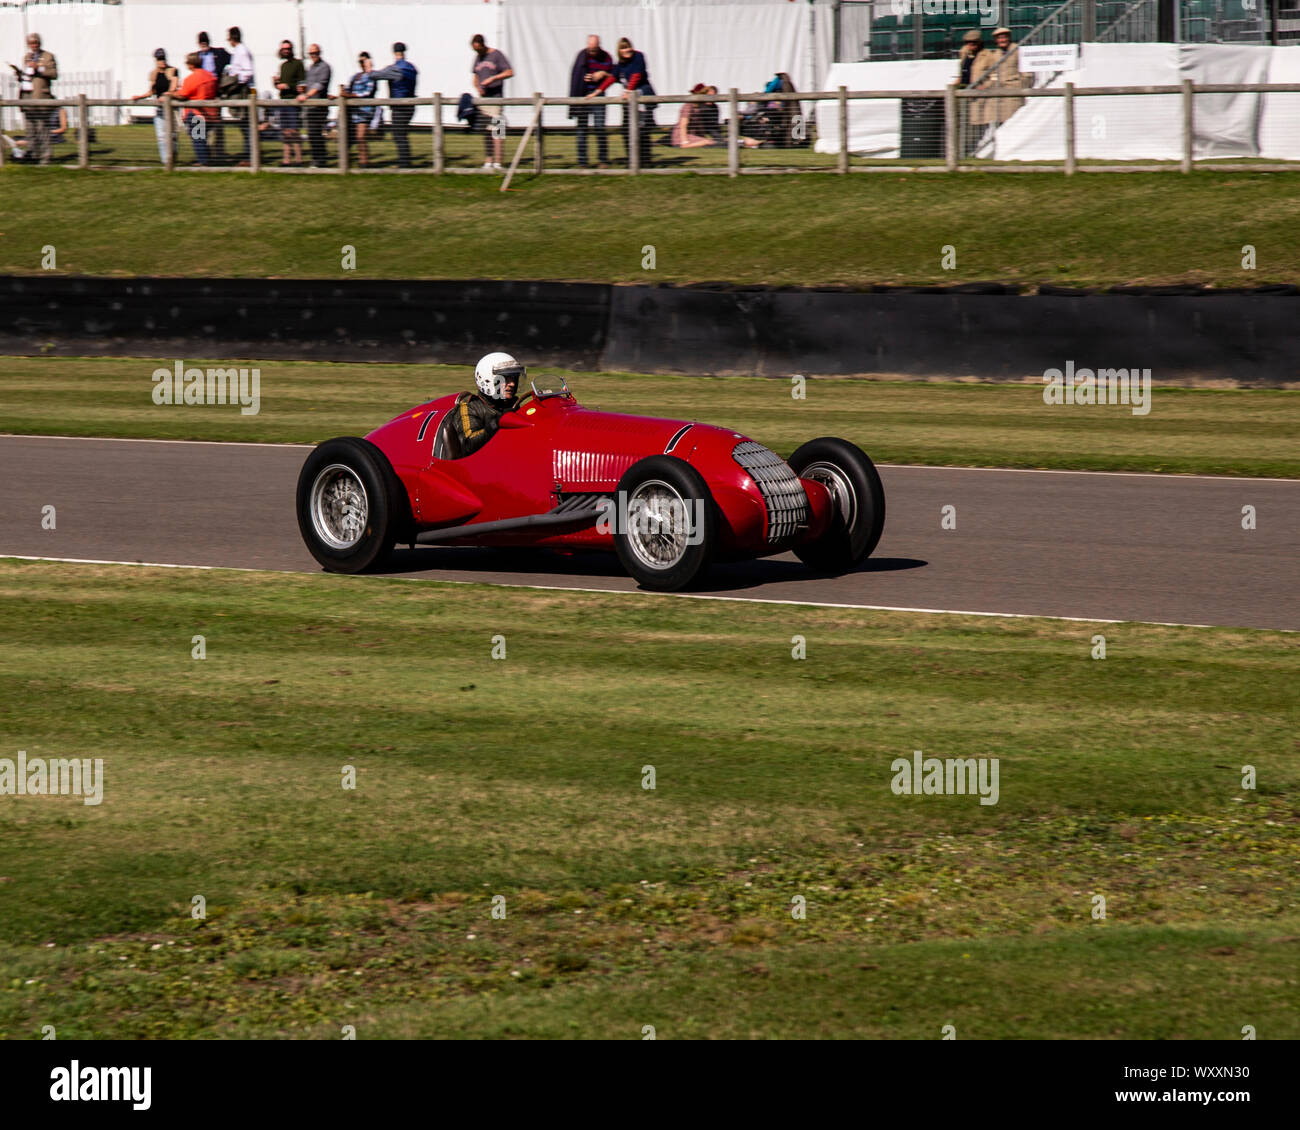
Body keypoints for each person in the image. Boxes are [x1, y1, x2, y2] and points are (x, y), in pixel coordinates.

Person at [592, 38, 655, 168]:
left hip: (642, 96)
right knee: (626, 129)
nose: (626, 50)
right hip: (628, 100)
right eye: (623, 48)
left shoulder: (639, 57)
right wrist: (598, 91)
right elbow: (613, 78)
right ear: (619, 51)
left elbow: (637, 75)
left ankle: (645, 160)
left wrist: (629, 91)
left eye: (628, 47)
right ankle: (632, 159)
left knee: (642, 129)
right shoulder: (620, 64)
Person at [449, 353, 525, 457]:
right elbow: (468, 444)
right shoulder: (469, 407)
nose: (512, 384)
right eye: (505, 378)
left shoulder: (514, 404)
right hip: (480, 465)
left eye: (514, 378)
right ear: (487, 380)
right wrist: (496, 423)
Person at [970, 27, 1030, 133]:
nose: (1002, 40)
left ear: (1009, 38)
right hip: (1000, 95)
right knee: (1001, 126)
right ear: (996, 40)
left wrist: (1020, 85)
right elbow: (993, 74)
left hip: (1014, 93)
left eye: (1004, 37)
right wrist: (987, 85)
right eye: (999, 38)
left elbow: (1027, 73)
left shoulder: (1017, 50)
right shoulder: (995, 54)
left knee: (1016, 124)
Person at [12, 33, 57, 165]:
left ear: (39, 43)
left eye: (35, 43)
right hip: (26, 95)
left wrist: (39, 68)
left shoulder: (47, 56)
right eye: (31, 43)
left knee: (42, 127)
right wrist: (20, 75)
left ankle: (46, 156)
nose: (33, 45)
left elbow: (53, 74)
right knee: (30, 127)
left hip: (40, 96)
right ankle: (33, 154)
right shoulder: (26, 57)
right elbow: (28, 75)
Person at [568, 34, 612, 169]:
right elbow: (575, 76)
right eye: (590, 48)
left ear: (599, 46)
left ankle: (602, 160)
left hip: (598, 96)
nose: (591, 51)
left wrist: (602, 74)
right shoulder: (581, 56)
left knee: (600, 128)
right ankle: (582, 161)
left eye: (594, 49)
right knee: (581, 129)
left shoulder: (606, 57)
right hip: (583, 96)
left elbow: (614, 75)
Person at [371, 42, 418, 169]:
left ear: (394, 52)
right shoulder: (412, 68)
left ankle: (404, 164)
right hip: (411, 104)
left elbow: (375, 75)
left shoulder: (395, 68)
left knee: (398, 134)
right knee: (402, 133)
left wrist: (368, 69)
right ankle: (405, 161)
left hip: (399, 105)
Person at [470, 34, 513, 171]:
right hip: (484, 100)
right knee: (486, 131)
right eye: (475, 50)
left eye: (478, 49)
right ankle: (488, 161)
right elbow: (475, 76)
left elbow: (509, 72)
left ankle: (498, 163)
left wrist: (493, 79)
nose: (477, 52)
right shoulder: (478, 57)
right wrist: (478, 87)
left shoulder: (497, 55)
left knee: (497, 131)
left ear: (483, 45)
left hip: (496, 98)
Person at [131, 49, 179, 165]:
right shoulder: (154, 73)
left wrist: (166, 95)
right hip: (160, 108)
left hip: (171, 108)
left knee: (173, 135)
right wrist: (140, 96)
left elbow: (173, 88)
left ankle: (173, 158)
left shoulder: (173, 71)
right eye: (159, 59)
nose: (162, 61)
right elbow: (151, 91)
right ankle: (165, 161)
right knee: (161, 136)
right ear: (156, 60)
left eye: (163, 58)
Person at [174, 52, 218, 166]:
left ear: (191, 64)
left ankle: (203, 163)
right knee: (203, 138)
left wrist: (170, 94)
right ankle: (206, 160)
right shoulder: (210, 76)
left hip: (197, 114)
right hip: (211, 114)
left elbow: (182, 95)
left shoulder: (191, 78)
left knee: (198, 139)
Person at [222, 26, 255, 164]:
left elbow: (248, 71)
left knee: (246, 126)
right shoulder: (238, 51)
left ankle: (250, 157)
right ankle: (249, 156)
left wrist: (235, 79)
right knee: (244, 126)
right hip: (239, 90)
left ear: (232, 38)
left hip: (243, 92)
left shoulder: (242, 51)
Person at [341, 52, 380, 167]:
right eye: (360, 61)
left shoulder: (372, 76)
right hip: (353, 112)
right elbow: (347, 89)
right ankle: (356, 161)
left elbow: (367, 93)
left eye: (364, 61)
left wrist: (350, 95)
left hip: (365, 111)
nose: (362, 64)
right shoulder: (355, 76)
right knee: (351, 137)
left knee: (361, 136)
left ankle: (364, 162)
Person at [196, 33, 230, 161]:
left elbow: (233, 61)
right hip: (200, 96)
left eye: (205, 41)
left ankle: (218, 152)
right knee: (200, 122)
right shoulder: (196, 57)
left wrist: (227, 76)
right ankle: (203, 154)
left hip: (215, 93)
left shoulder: (219, 53)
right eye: (201, 42)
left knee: (217, 123)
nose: (203, 44)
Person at [297, 44, 332, 167]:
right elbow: (308, 84)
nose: (313, 55)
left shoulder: (325, 67)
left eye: (315, 53)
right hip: (310, 107)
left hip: (319, 106)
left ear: (320, 52)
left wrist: (306, 95)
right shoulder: (310, 68)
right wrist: (302, 90)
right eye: (311, 53)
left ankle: (319, 160)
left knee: (315, 132)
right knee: (312, 134)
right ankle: (317, 158)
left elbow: (320, 85)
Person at [273, 40, 305, 167]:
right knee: (285, 132)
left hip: (293, 101)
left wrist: (288, 86)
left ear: (292, 49)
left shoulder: (298, 64)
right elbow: (279, 84)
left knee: (293, 131)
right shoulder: (283, 66)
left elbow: (302, 84)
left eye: (288, 48)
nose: (286, 50)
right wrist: (276, 83)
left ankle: (298, 160)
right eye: (284, 49)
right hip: (283, 101)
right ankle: (286, 159)